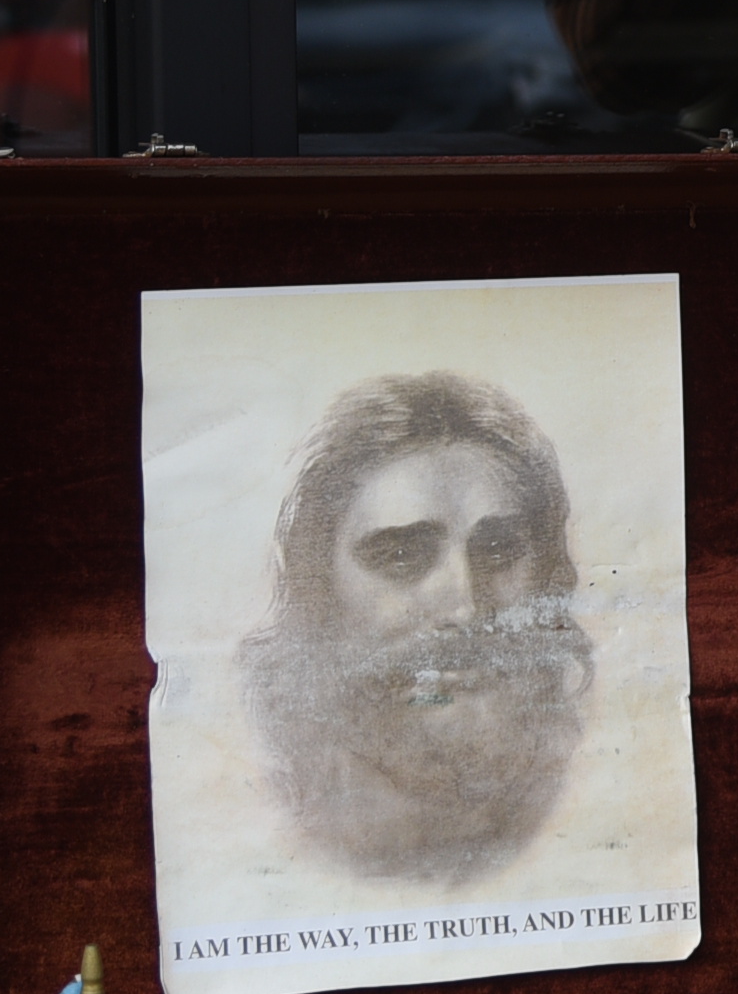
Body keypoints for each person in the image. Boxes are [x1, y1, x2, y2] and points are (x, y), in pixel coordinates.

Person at [237, 371, 599, 891]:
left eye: (498, 551)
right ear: (319, 590)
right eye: (402, 555)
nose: (467, 606)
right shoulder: (283, 832)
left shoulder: (574, 812)